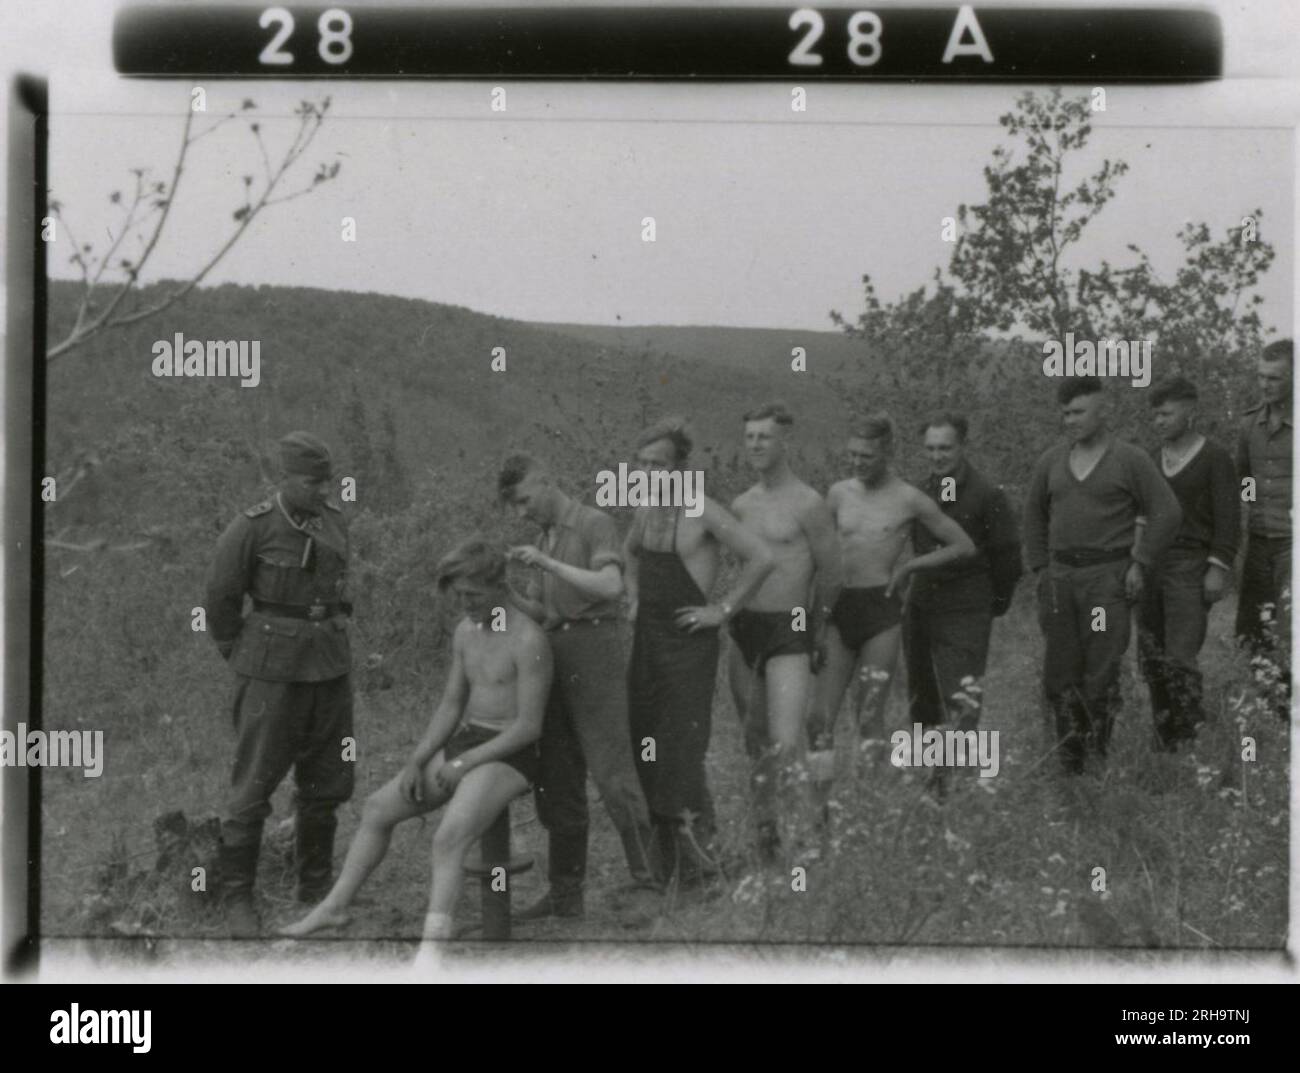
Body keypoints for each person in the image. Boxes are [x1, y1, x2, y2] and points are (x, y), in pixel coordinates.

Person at [280, 538, 551, 946]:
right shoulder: (465, 632)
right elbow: (451, 703)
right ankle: (334, 907)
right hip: (470, 740)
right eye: (459, 596)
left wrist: (466, 762)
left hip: (513, 752)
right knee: (376, 809)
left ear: (500, 587)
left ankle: (432, 947)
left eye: (474, 596)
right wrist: (417, 758)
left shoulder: (529, 640)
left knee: (449, 835)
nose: (467, 604)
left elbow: (529, 727)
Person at [498, 453, 659, 920]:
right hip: (554, 652)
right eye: (514, 505)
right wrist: (506, 591)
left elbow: (610, 587)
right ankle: (566, 893)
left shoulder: (594, 523)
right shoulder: (543, 536)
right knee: (558, 775)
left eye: (525, 500)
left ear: (547, 480)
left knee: (612, 769)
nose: (521, 512)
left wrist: (546, 563)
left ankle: (648, 882)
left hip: (595, 650)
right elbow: (549, 614)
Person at [206, 431, 354, 937]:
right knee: (252, 786)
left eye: (326, 480)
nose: (323, 489)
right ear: (284, 478)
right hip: (270, 672)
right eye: (312, 481)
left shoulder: (334, 522)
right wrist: (247, 658)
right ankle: (238, 902)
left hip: (329, 667)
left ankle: (315, 889)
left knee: (327, 779)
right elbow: (221, 603)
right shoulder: (251, 529)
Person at [624, 416, 775, 886]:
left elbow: (762, 557)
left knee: (683, 749)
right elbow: (630, 553)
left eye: (659, 465)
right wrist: (631, 598)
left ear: (680, 467)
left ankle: (703, 863)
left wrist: (722, 610)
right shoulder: (645, 508)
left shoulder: (700, 509)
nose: (649, 473)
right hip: (648, 639)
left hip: (689, 645)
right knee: (645, 742)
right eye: (642, 464)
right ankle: (664, 863)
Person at [806, 413, 975, 789]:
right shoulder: (837, 493)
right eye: (851, 454)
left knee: (869, 715)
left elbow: (963, 545)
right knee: (818, 718)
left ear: (887, 453)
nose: (856, 462)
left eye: (866, 456)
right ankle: (821, 806)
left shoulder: (909, 498)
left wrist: (911, 567)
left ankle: (869, 802)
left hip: (880, 612)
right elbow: (818, 556)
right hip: (837, 609)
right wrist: (813, 619)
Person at [1024, 377, 1181, 774]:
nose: (1070, 420)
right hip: (1061, 581)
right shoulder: (1051, 462)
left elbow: (1167, 511)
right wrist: (1042, 571)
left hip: (1104, 582)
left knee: (1101, 669)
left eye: (1078, 412)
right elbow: (1033, 518)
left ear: (1102, 411)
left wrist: (1140, 562)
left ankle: (1097, 759)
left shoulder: (1129, 460)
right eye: (1065, 413)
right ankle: (1068, 762)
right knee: (1060, 671)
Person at [727, 402, 842, 861]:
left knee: (787, 740)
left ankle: (812, 834)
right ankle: (767, 836)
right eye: (750, 437)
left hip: (790, 626)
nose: (756, 445)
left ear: (785, 442)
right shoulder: (741, 504)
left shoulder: (809, 503)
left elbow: (832, 573)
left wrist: (817, 626)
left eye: (765, 437)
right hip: (746, 627)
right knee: (754, 738)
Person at [903, 413, 1021, 743]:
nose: (937, 456)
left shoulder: (987, 494)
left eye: (945, 448)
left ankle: (959, 782)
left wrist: (990, 605)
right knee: (922, 697)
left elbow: (1008, 557)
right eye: (930, 448)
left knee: (961, 696)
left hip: (966, 607)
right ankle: (933, 782)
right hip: (923, 604)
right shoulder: (919, 492)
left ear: (963, 446)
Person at [1136, 377, 1239, 750]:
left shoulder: (1215, 458)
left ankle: (1192, 741)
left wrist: (1217, 568)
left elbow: (1229, 519)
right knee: (1151, 653)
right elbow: (1141, 516)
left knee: (1181, 655)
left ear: (1189, 411)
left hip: (1190, 566)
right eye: (1155, 415)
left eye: (1167, 413)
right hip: (1151, 565)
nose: (1160, 421)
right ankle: (1164, 738)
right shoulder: (1150, 459)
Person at [1235, 338, 1293, 715]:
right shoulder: (1249, 424)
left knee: (1289, 628)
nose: (1265, 385)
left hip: (1293, 543)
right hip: (1259, 541)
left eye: (1274, 378)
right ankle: (1265, 710)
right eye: (1261, 377)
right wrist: (1251, 510)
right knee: (1256, 625)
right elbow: (1245, 478)